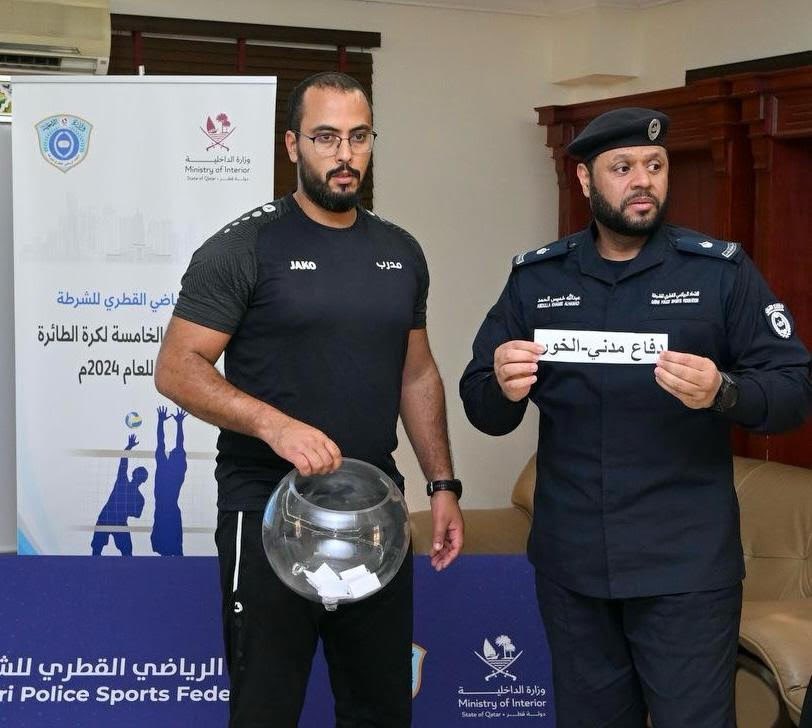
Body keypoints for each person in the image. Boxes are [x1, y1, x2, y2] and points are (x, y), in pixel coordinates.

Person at [460, 107, 811, 728]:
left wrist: (725, 391)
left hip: (685, 569)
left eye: (655, 165)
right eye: (622, 168)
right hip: (574, 569)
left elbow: (793, 388)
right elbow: (481, 400)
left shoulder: (719, 274)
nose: (642, 180)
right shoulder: (537, 278)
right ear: (587, 183)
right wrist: (503, 387)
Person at [155, 71, 464, 727]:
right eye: (326, 137)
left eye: (357, 137)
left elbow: (417, 375)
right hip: (266, 508)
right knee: (266, 709)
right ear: (293, 145)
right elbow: (178, 368)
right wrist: (274, 426)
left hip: (370, 511)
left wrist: (443, 483)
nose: (344, 154)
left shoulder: (400, 253)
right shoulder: (244, 248)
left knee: (379, 708)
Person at [90, 433, 147, 556]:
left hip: (120, 522)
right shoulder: (122, 481)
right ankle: (92, 569)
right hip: (106, 517)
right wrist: (128, 448)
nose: (138, 477)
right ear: (134, 474)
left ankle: (128, 573)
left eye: (141, 476)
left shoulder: (139, 498)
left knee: (127, 551)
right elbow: (123, 463)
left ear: (143, 480)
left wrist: (125, 510)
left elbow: (137, 514)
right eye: (138, 474)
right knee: (97, 548)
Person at [151, 405, 188, 556]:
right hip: (168, 510)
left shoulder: (166, 469)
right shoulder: (177, 470)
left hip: (165, 510)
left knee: (174, 549)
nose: (171, 451)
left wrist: (161, 421)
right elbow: (173, 444)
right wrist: (178, 423)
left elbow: (165, 443)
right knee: (168, 549)